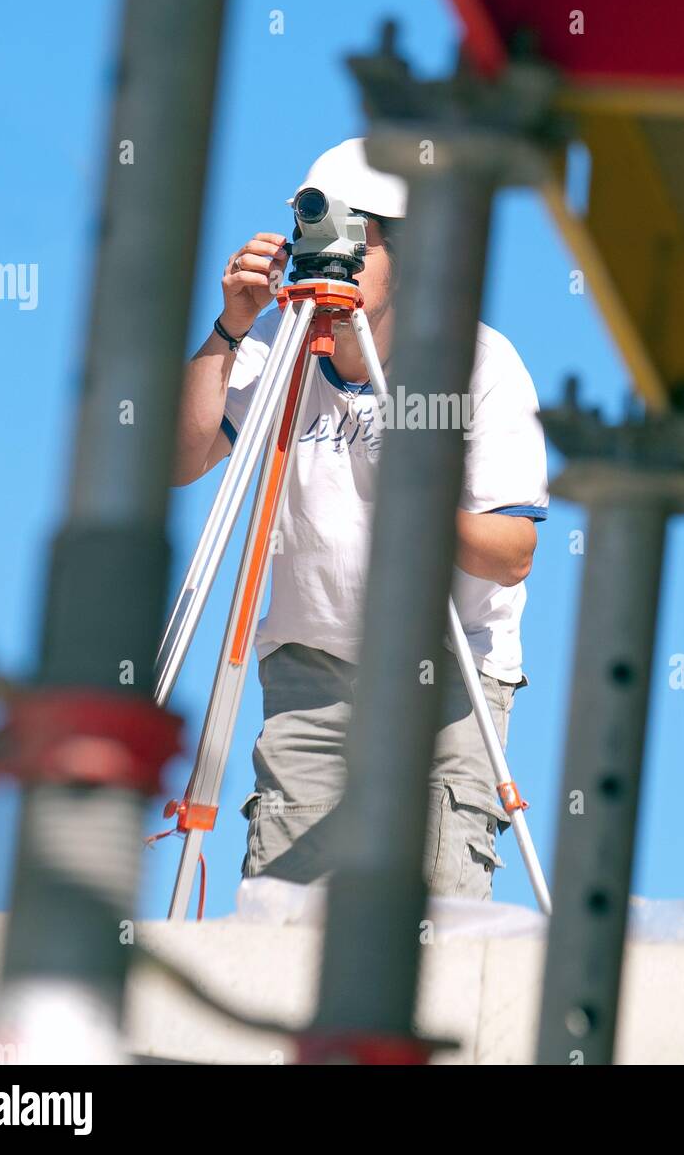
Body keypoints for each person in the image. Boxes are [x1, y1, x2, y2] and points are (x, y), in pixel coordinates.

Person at [174, 137, 548, 899]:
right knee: (280, 920)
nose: (328, 254)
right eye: (316, 229)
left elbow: (511, 553)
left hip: (448, 675)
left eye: (354, 234)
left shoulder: (475, 364)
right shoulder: (276, 346)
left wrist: (416, 497)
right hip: (311, 672)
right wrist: (228, 329)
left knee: (434, 922)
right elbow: (176, 461)